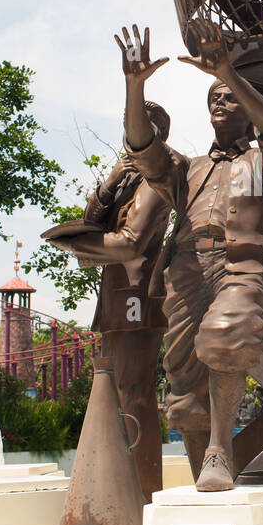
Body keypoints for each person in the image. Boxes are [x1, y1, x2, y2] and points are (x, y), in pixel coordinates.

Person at [113, 20, 263, 493]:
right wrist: (135, 87)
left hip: (240, 267)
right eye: (213, 94)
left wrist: (228, 72)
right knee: (183, 380)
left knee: (227, 334)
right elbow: (142, 148)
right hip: (187, 270)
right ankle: (208, 475)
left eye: (230, 95)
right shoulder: (188, 169)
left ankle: (221, 446)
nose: (219, 99)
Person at [42, 103, 171, 504]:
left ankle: (144, 497)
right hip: (115, 302)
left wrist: (79, 247)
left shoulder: (155, 182)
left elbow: (129, 242)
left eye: (142, 127)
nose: (131, 134)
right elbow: (92, 219)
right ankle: (124, 495)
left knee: (134, 395)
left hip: (138, 301)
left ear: (157, 135)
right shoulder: (124, 182)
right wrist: (109, 181)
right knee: (116, 393)